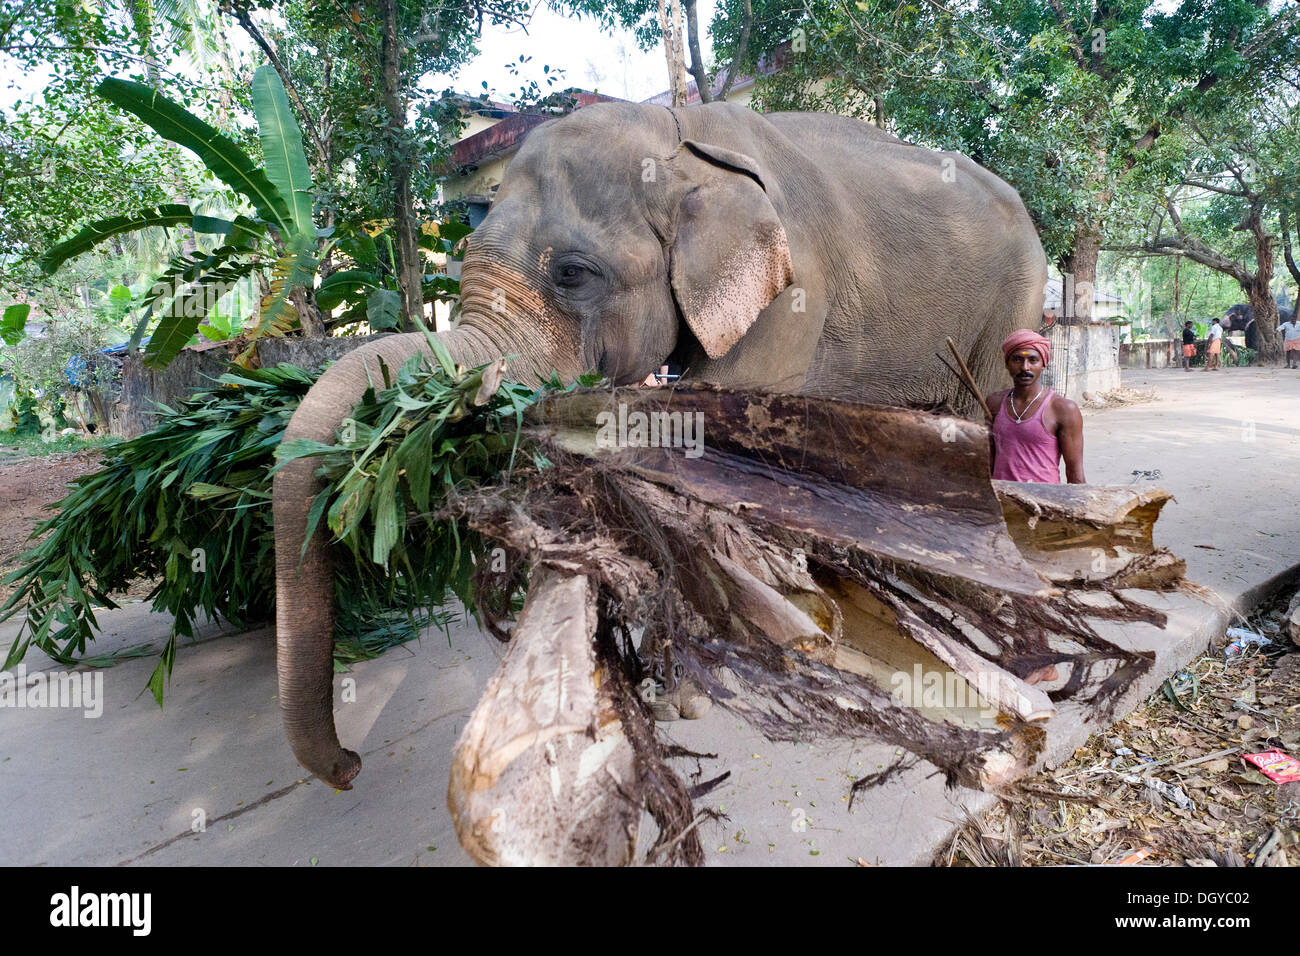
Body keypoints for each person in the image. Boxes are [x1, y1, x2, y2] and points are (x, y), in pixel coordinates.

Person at [985, 329, 1085, 485]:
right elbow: (989, 458)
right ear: (1007, 364)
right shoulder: (994, 403)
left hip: (1044, 502)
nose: (1025, 367)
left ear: (1043, 364)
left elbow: (1075, 473)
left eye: (1033, 360)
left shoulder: (1063, 409)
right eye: (1017, 359)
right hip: (1002, 500)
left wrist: (1080, 505)